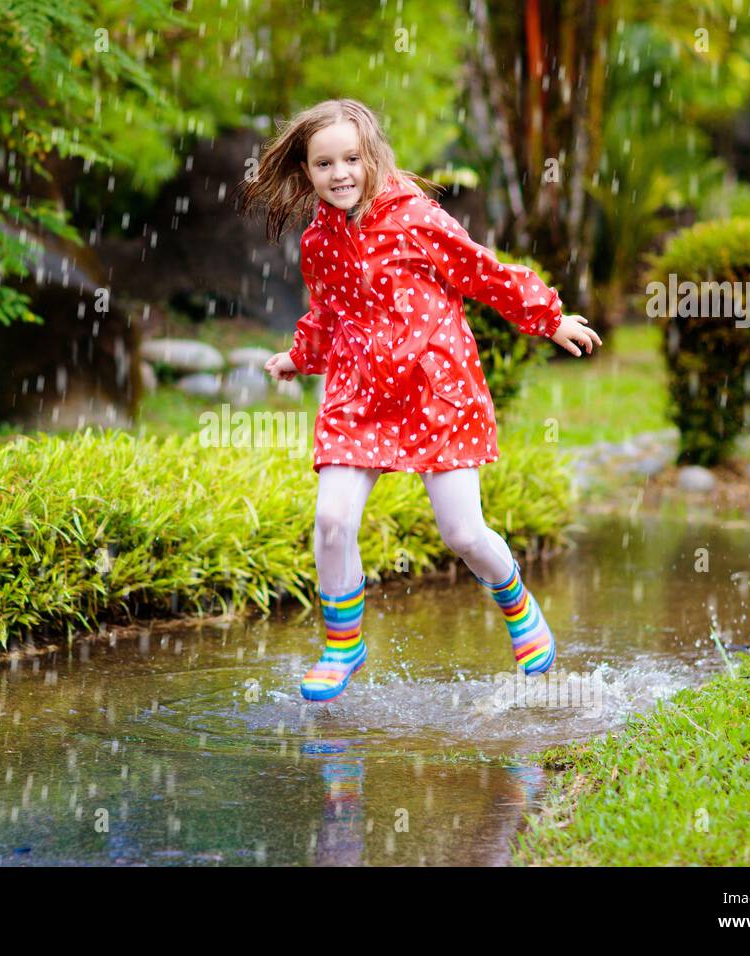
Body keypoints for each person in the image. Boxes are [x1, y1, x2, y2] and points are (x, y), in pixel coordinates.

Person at [237, 98, 601, 703]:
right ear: (306, 171)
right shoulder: (318, 243)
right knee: (331, 520)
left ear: (372, 155)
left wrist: (549, 318)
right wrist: (299, 357)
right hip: (357, 393)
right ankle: (341, 643)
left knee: (461, 531)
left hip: (436, 388)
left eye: (351, 158)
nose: (341, 174)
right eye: (324, 164)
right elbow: (328, 313)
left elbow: (483, 272)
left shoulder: (416, 219)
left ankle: (514, 601)